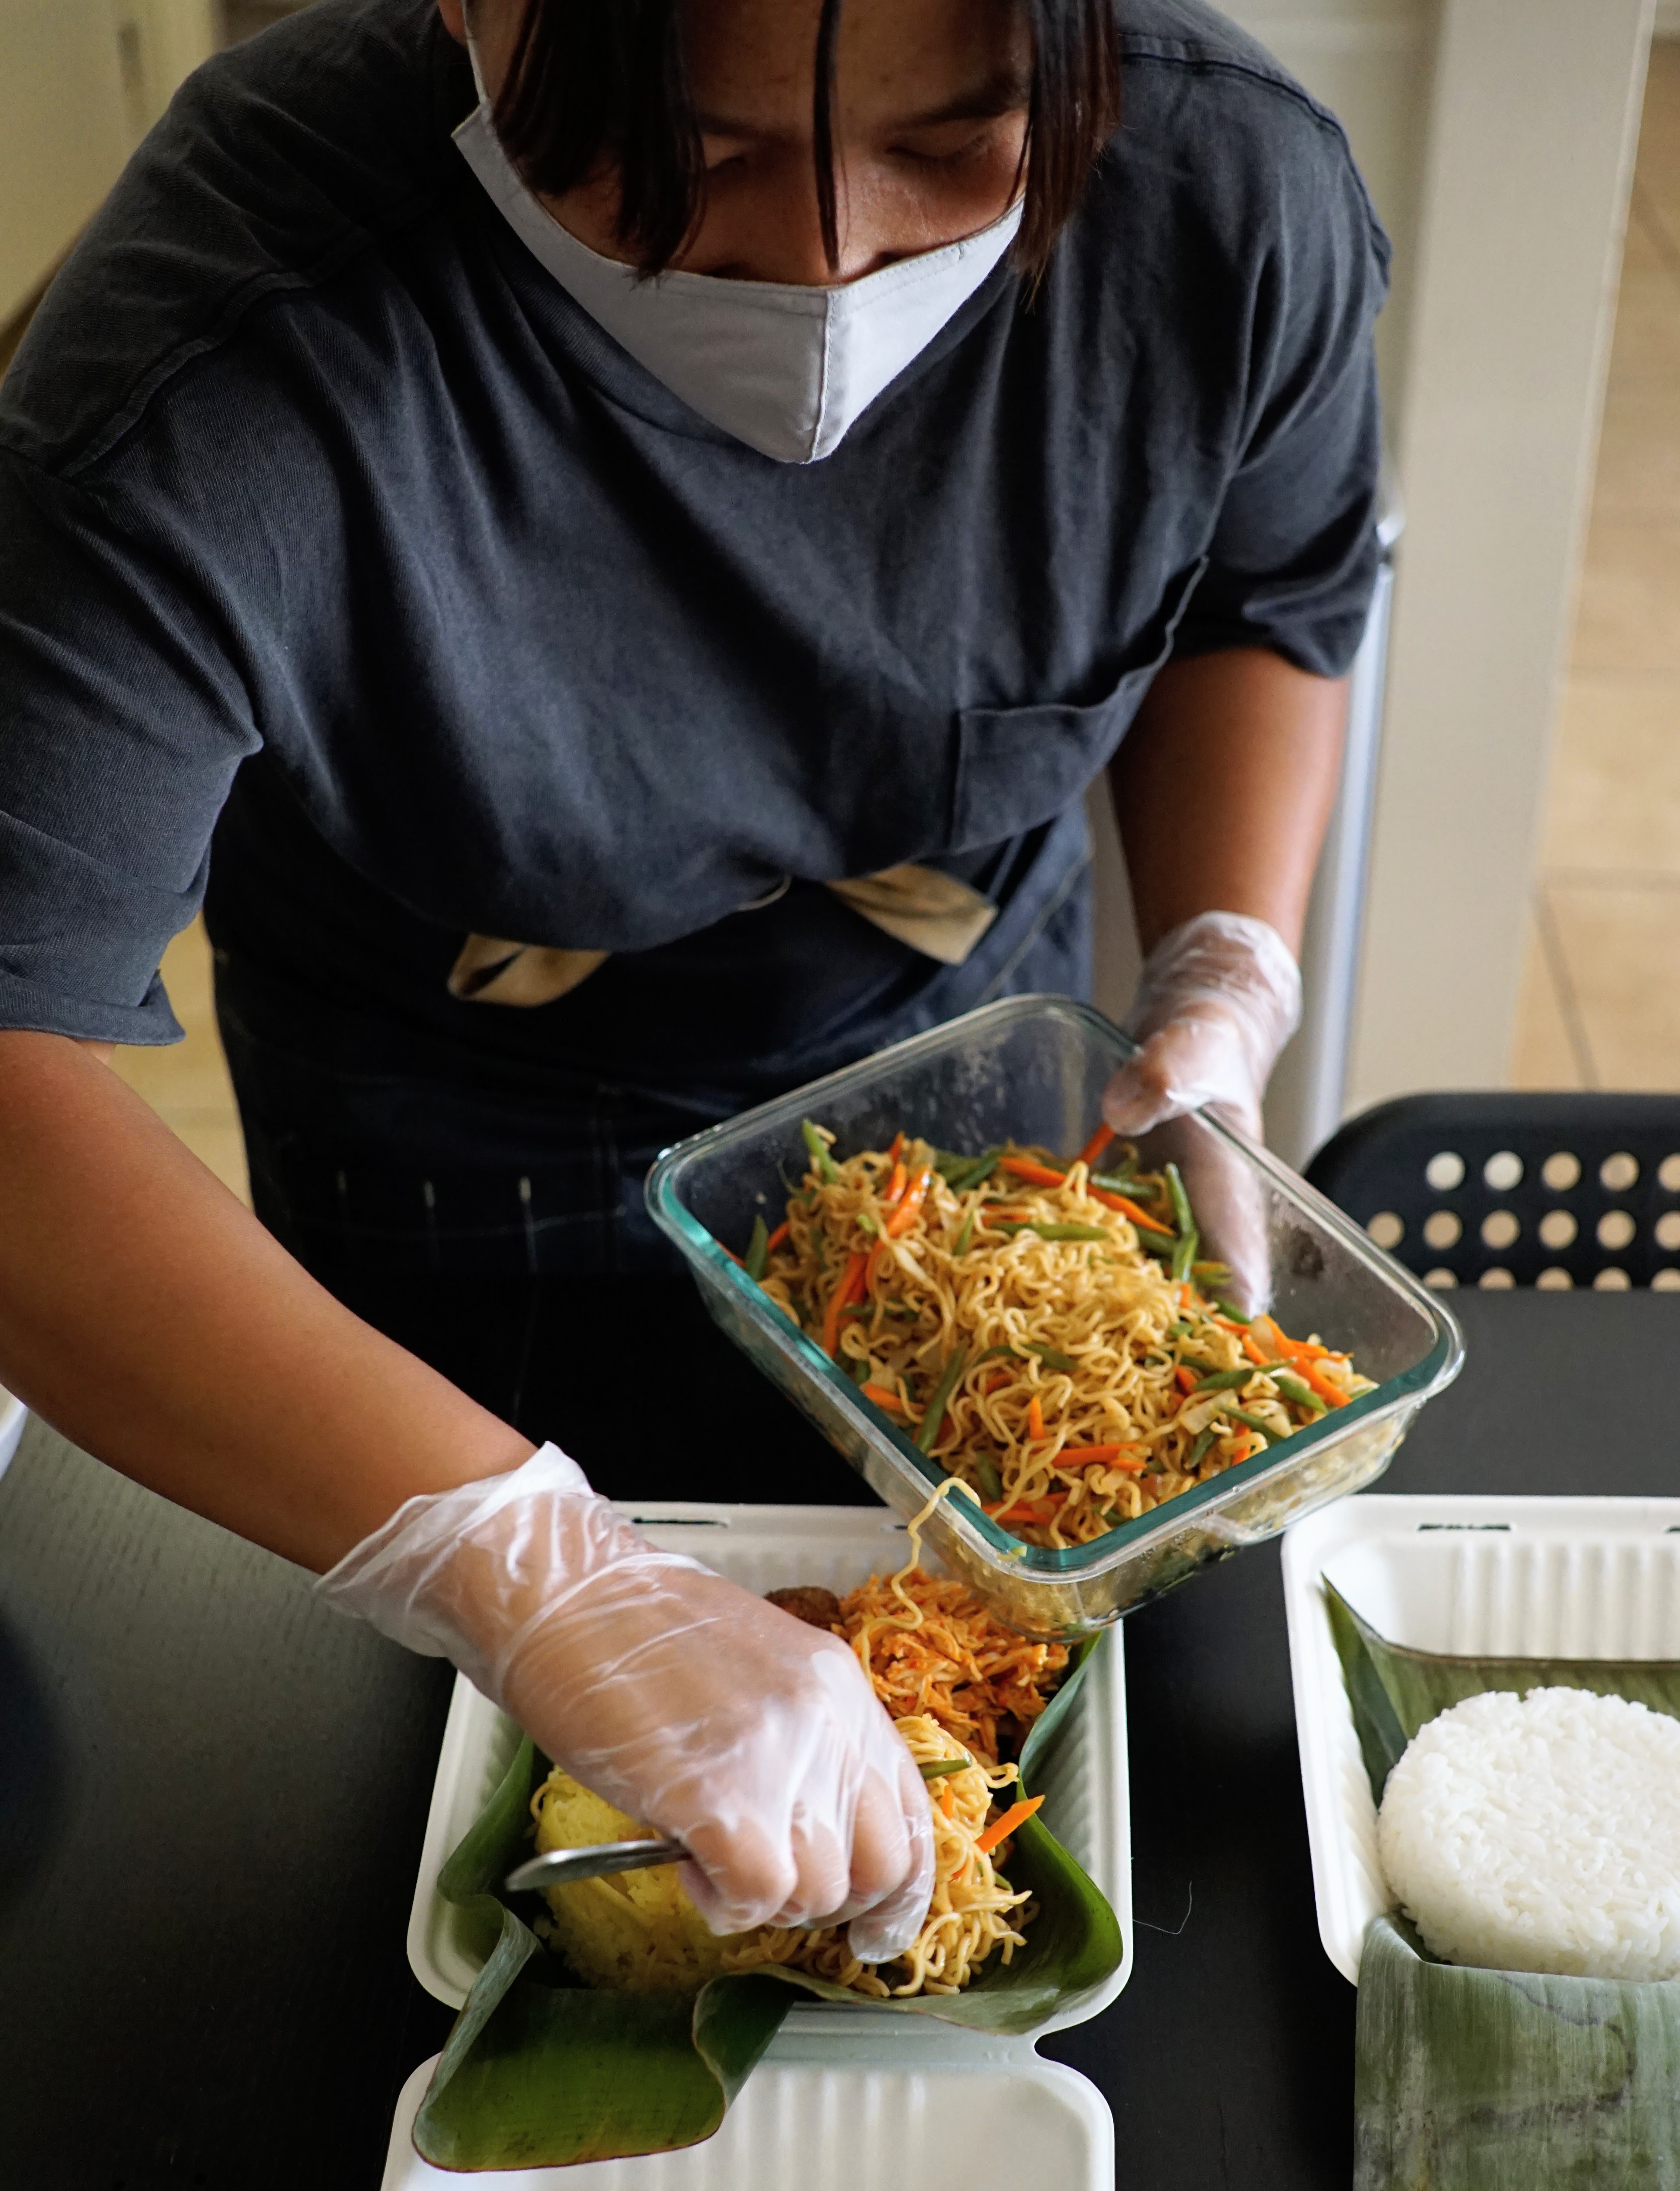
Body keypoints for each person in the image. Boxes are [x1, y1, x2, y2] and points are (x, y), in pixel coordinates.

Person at [0, 0, 1384, 1952]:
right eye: (689, 155)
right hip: (464, 1178)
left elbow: (1264, 594)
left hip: (978, 1138)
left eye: (963, 142)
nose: (825, 253)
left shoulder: (1224, 193)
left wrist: (1226, 977)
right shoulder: (227, 341)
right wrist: (527, 1569)